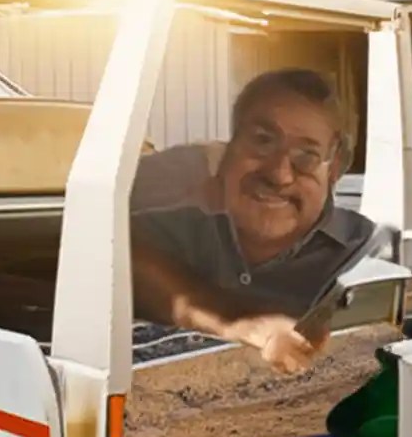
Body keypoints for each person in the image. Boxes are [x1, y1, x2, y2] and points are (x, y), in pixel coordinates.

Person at [129, 68, 375, 374]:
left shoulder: (366, 254)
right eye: (262, 141)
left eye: (307, 156)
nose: (279, 174)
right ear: (228, 148)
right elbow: (125, 261)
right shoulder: (166, 229)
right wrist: (239, 322)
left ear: (334, 169)